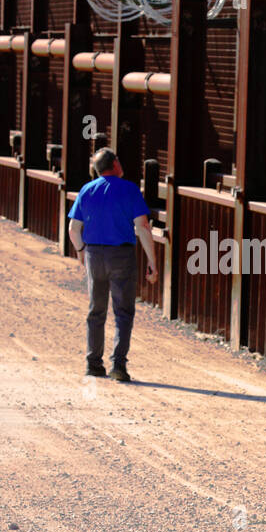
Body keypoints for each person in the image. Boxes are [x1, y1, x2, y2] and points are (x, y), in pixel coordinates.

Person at [67, 147, 158, 382]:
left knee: (96, 310)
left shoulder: (86, 190)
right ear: (115, 164)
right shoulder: (129, 189)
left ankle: (93, 363)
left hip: (94, 255)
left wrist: (81, 252)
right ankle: (118, 365)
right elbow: (142, 227)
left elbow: (73, 230)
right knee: (123, 312)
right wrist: (152, 260)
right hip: (122, 256)